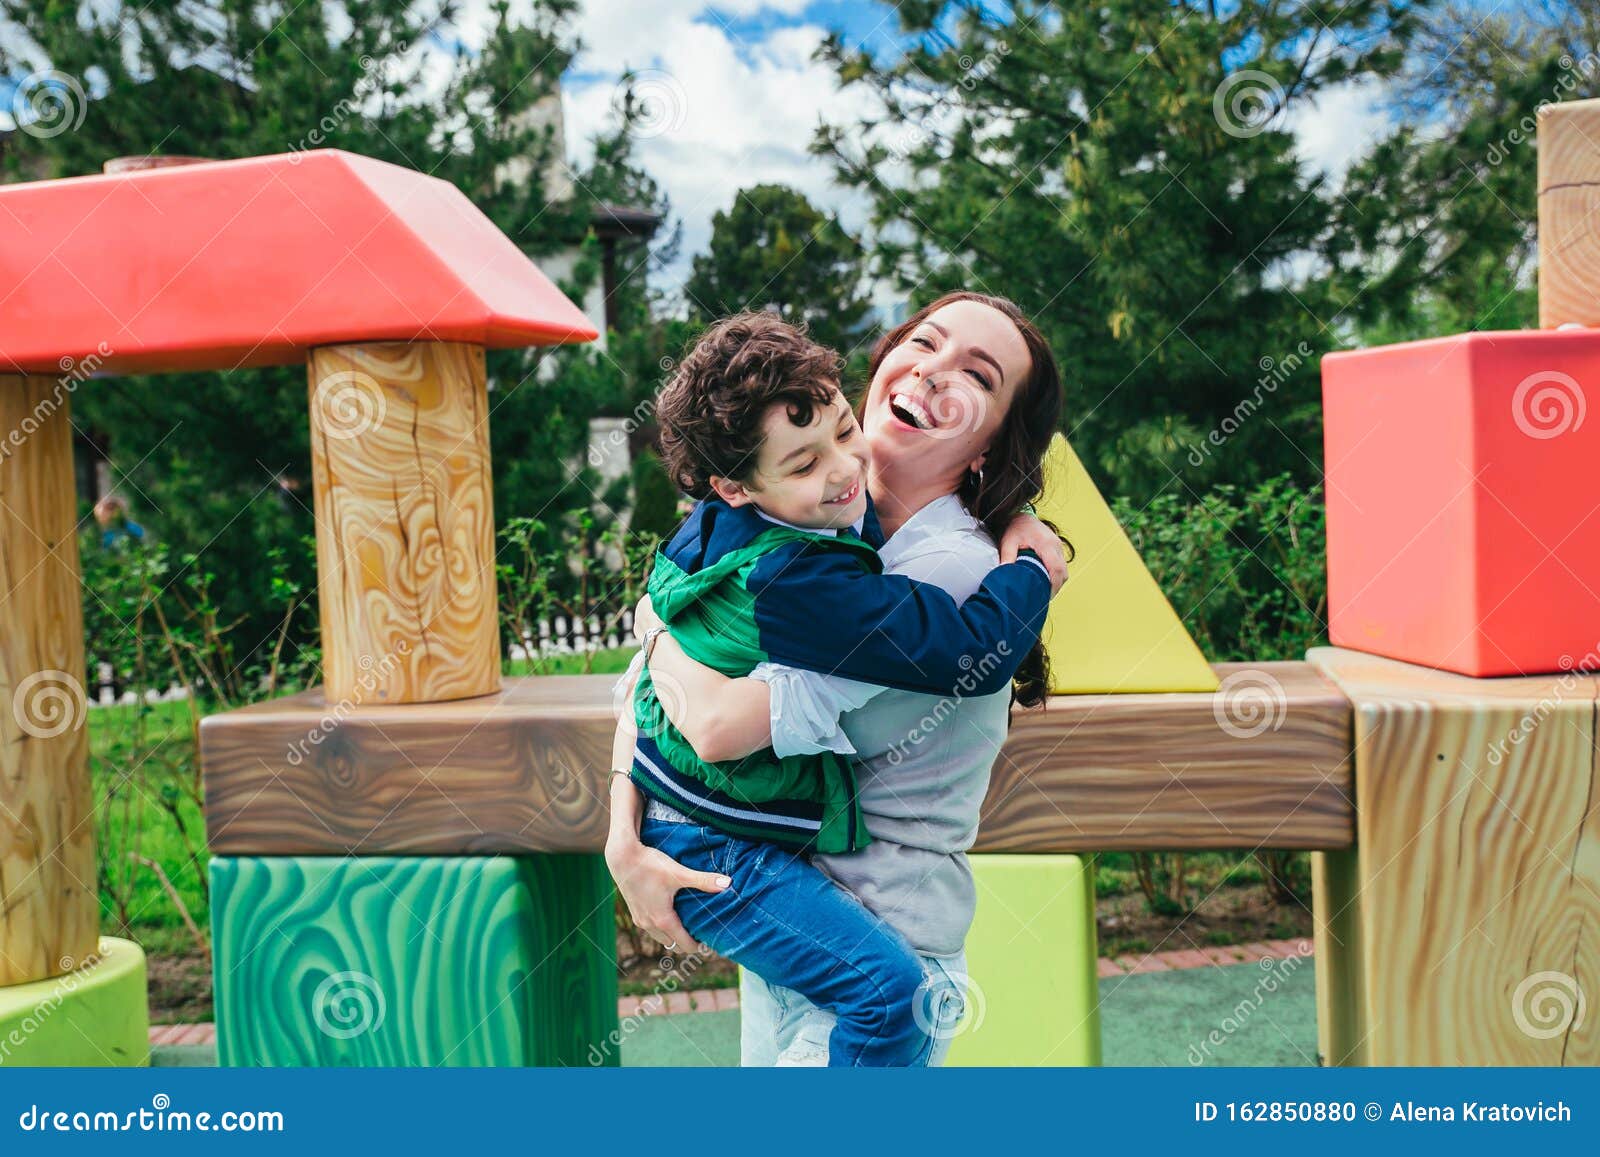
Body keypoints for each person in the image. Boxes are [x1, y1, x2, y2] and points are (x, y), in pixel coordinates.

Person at [608, 292, 1069, 1066]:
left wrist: (654, 625)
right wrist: (624, 835)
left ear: (990, 443)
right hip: (795, 928)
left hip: (882, 955)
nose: (931, 371)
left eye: (977, 376)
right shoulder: (821, 527)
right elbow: (651, 689)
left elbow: (717, 724)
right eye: (925, 341)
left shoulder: (950, 567)